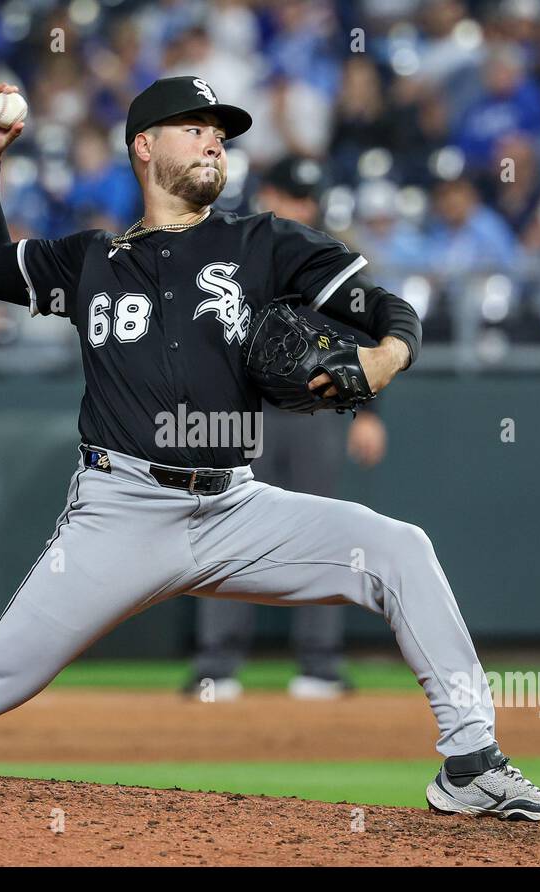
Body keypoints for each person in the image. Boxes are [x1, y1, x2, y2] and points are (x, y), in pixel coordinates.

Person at [0, 77, 540, 822]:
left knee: (399, 548)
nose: (214, 144)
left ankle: (470, 765)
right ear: (144, 147)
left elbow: (387, 307)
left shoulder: (261, 243)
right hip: (120, 509)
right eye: (195, 129)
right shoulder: (89, 259)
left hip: (233, 504)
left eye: (222, 134)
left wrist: (386, 356)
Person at [187, 155, 390, 701]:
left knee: (323, 535)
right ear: (266, 193)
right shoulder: (228, 249)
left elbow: (366, 339)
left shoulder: (328, 258)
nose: (300, 207)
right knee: (224, 533)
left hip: (313, 413)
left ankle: (320, 666)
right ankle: (216, 666)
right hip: (238, 413)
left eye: (307, 198)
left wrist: (367, 414)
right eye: (290, 195)